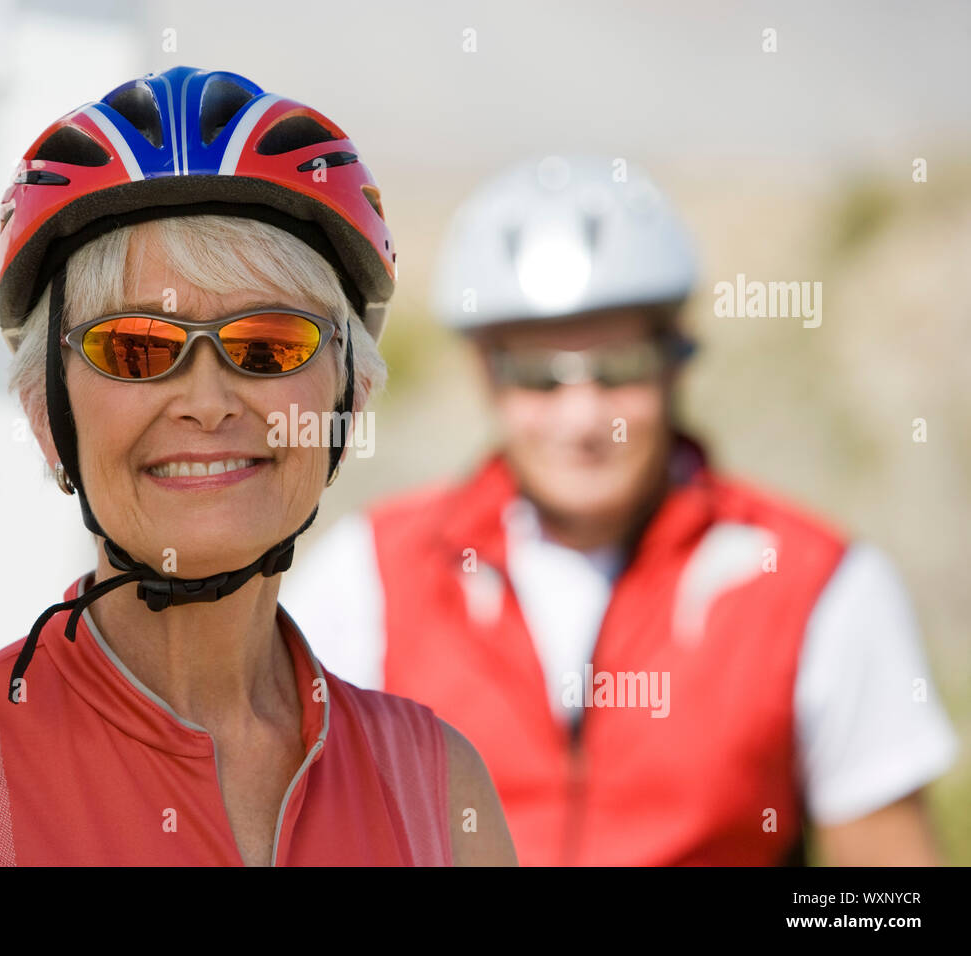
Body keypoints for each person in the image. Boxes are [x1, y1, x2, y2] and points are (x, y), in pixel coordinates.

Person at [0, 66, 516, 867]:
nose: (207, 400)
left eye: (268, 345)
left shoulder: (443, 790)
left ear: (350, 402)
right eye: (136, 349)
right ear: (45, 416)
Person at [282, 155, 959, 866]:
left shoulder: (820, 585)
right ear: (486, 373)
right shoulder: (370, 571)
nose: (582, 417)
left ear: (678, 357)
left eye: (620, 367)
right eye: (539, 376)